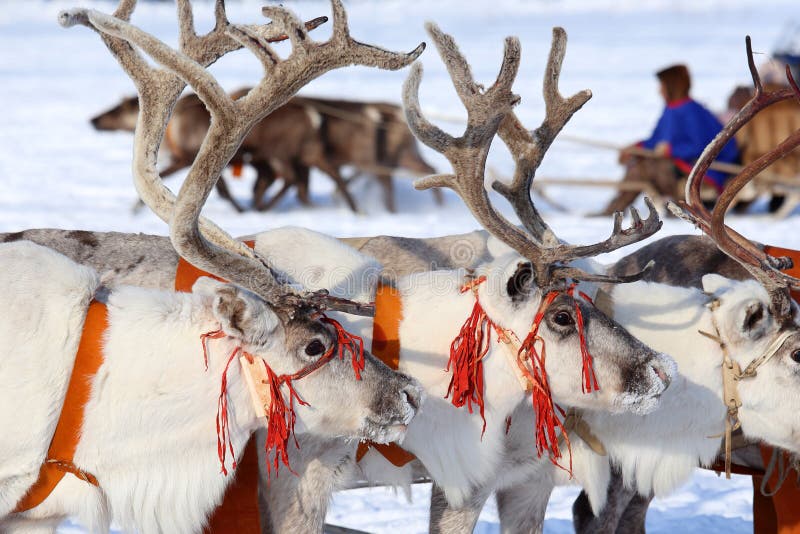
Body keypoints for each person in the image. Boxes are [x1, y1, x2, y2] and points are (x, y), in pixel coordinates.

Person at [597, 64, 739, 215]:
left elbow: (700, 147)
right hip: (677, 166)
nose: (659, 90)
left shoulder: (692, 111)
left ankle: (668, 207)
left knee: (652, 165)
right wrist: (635, 148)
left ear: (671, 85)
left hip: (703, 171)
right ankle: (616, 209)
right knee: (639, 163)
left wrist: (671, 150)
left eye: (662, 85)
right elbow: (656, 140)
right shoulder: (670, 109)